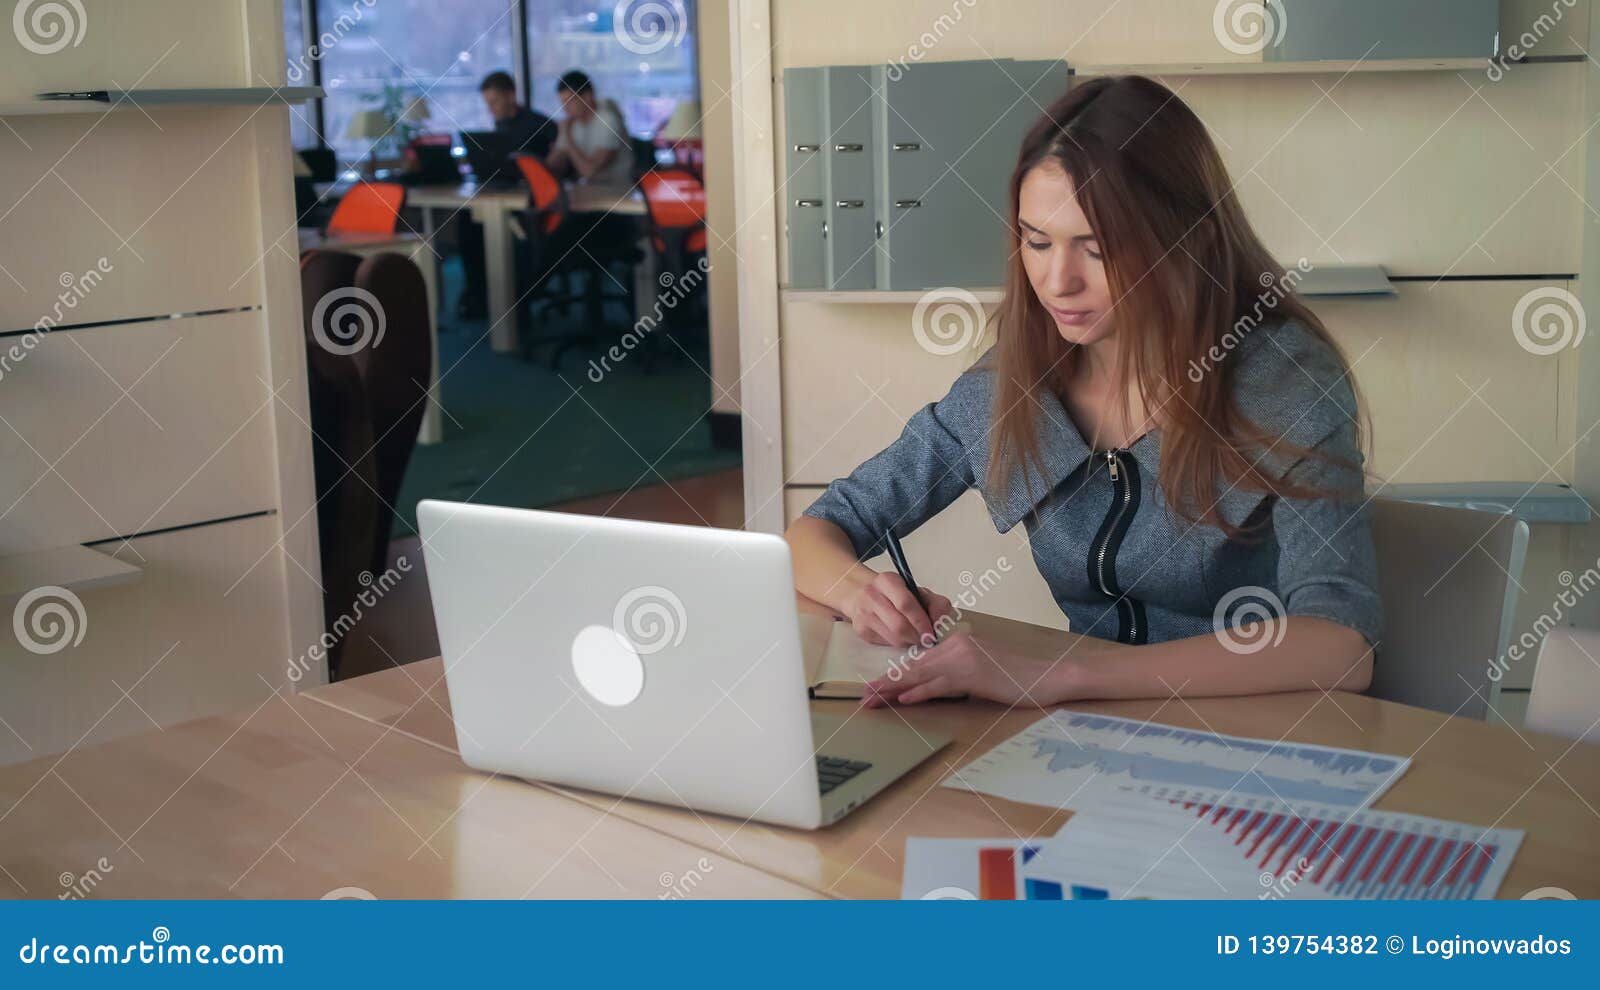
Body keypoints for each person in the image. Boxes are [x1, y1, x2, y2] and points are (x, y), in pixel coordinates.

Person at [785, 76, 1382, 709]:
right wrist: (864, 596)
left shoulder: (1285, 379)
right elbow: (815, 533)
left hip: (1262, 738)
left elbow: (1340, 644)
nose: (1055, 280)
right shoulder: (1014, 382)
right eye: (1036, 242)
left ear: (1185, 238)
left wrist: (1060, 678)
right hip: (1086, 738)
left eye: (1095, 250)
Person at [457, 71, 556, 319]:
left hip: (536, 201)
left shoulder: (541, 124)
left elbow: (557, 169)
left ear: (511, 95)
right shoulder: (500, 127)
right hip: (506, 194)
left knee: (514, 238)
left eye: (494, 102)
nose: (491, 109)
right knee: (466, 222)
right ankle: (480, 295)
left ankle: (514, 306)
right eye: (487, 103)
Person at [545, 69, 633, 186]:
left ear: (587, 97)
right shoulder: (572, 122)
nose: (565, 109)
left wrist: (568, 138)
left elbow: (589, 172)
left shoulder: (608, 121)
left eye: (569, 102)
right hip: (588, 188)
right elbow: (554, 164)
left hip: (617, 189)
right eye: (563, 103)